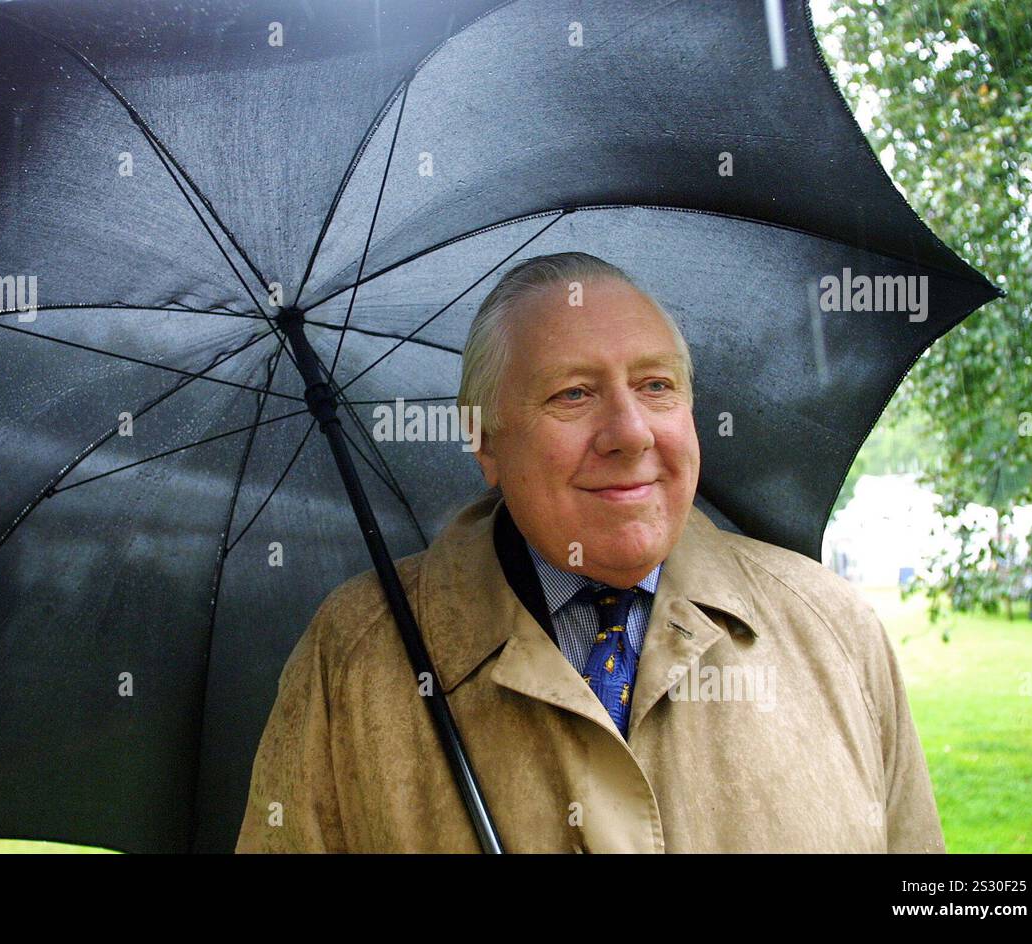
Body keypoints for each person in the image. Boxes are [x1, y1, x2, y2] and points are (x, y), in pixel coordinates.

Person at [235, 252, 945, 853]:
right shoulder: (357, 653)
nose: (630, 433)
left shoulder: (834, 627)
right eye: (574, 394)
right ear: (484, 440)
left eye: (656, 386)